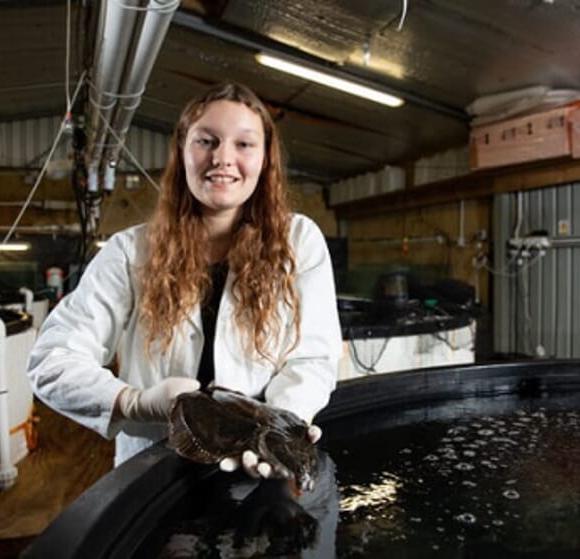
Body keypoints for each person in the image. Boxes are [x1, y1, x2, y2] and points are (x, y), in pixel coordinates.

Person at [26, 82, 343, 480]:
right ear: (181, 151)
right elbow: (51, 360)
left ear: (265, 159)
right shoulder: (130, 252)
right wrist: (135, 402)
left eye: (244, 144)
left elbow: (314, 357)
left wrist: (279, 429)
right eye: (206, 141)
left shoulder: (299, 242)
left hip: (258, 465)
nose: (223, 158)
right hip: (153, 465)